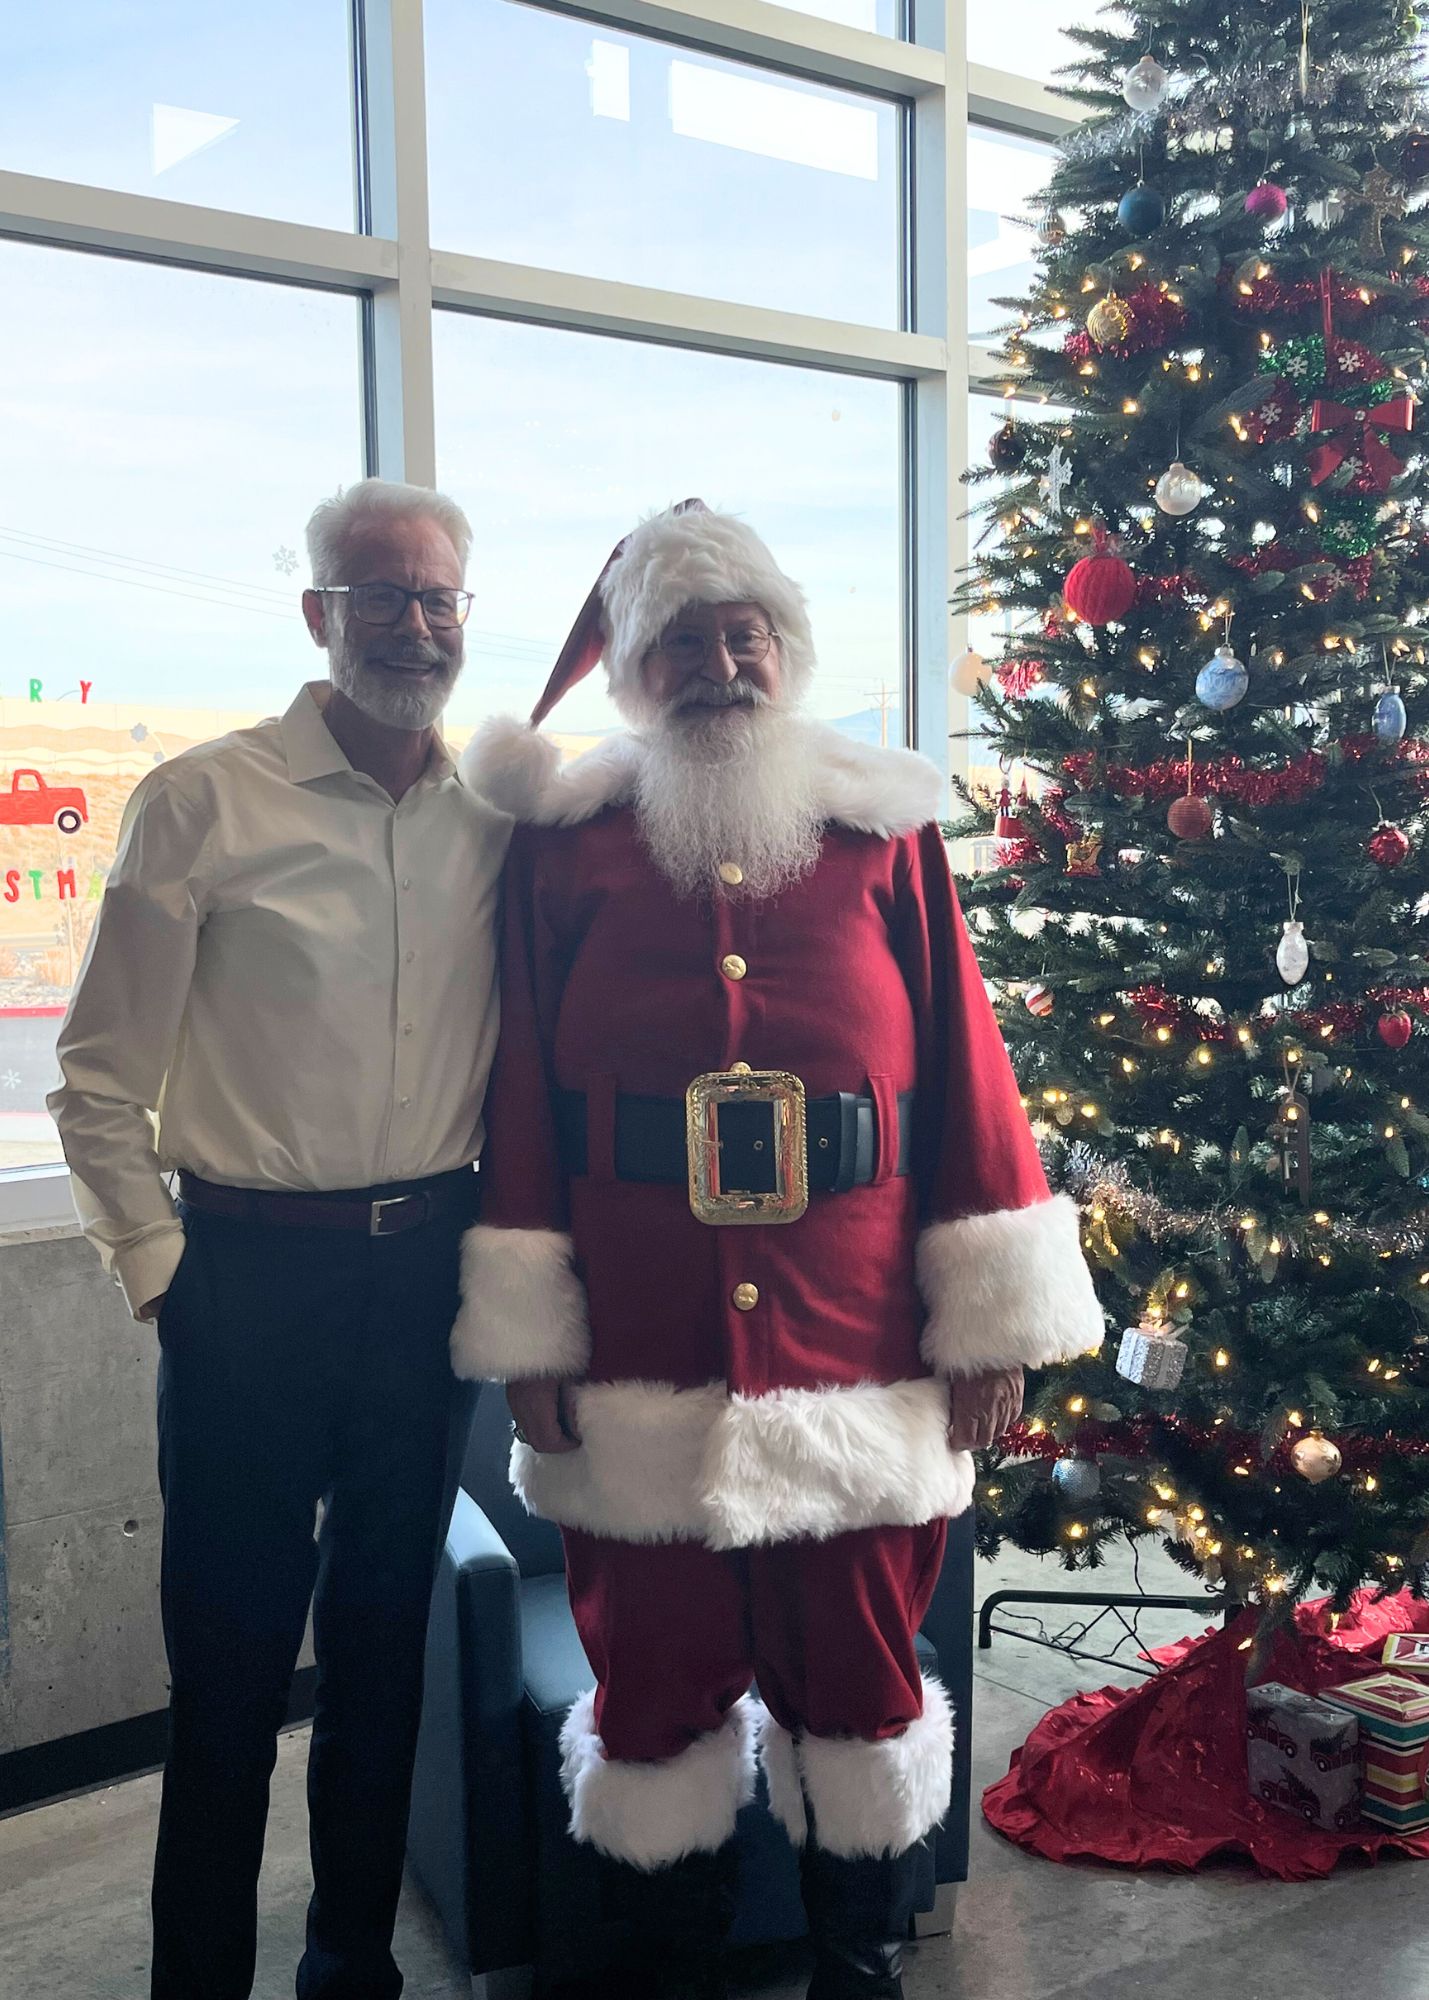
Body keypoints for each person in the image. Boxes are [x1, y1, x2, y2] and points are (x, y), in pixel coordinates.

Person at [454, 501, 1104, 2000]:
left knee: (862, 1691)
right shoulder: (566, 848)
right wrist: (530, 1350)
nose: (721, 662)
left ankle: (859, 1973)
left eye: (746, 633)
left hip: (858, 1342)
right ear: (634, 668)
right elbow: (523, 1107)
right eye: (683, 639)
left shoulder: (884, 829)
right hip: (638, 1346)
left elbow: (968, 1075)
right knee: (652, 1698)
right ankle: (659, 1975)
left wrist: (986, 1321)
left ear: (786, 651)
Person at [49, 478, 511, 2000]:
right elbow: (98, 1079)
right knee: (232, 1679)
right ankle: (199, 1979)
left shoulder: (498, 812)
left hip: (426, 1278)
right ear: (319, 615)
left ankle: (348, 1960)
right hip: (242, 1283)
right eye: (379, 594)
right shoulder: (203, 800)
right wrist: (162, 1275)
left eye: (438, 594)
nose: (415, 623)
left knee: (386, 1657)